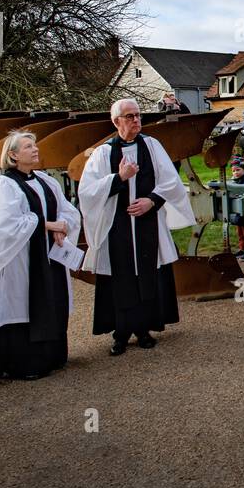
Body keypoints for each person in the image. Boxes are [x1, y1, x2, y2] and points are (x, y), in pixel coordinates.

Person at [79, 99, 195, 356]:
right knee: (121, 279)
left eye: (138, 115)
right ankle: (120, 333)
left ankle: (143, 329)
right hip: (117, 226)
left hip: (147, 223)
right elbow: (86, 192)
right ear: (116, 121)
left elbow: (171, 182)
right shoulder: (103, 153)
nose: (135, 120)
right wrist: (118, 178)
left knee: (146, 274)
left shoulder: (152, 147)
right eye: (129, 116)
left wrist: (151, 201)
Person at [0, 131, 81, 382]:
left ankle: (51, 356)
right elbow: (2, 226)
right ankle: (23, 363)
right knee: (23, 303)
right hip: (21, 260)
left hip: (49, 255)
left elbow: (67, 209)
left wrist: (62, 226)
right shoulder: (3, 186)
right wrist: (45, 224)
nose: (35, 149)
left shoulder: (45, 181)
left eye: (35, 145)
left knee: (52, 298)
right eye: (28, 146)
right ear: (13, 155)